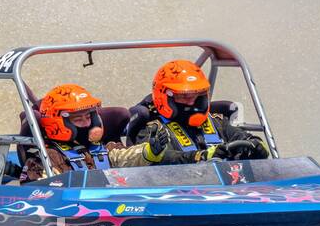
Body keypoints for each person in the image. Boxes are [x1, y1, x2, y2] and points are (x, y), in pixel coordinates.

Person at [109, 60, 270, 167]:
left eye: (196, 96)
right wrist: (202, 156)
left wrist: (255, 146)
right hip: (178, 194)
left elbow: (243, 138)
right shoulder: (151, 128)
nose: (191, 103)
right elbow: (164, 159)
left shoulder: (217, 121)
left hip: (229, 190)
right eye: (184, 96)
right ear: (165, 96)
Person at [19, 83, 121, 183]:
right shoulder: (46, 158)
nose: (86, 124)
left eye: (89, 117)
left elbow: (131, 156)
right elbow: (38, 194)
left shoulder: (107, 147)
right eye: (78, 119)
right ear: (57, 123)